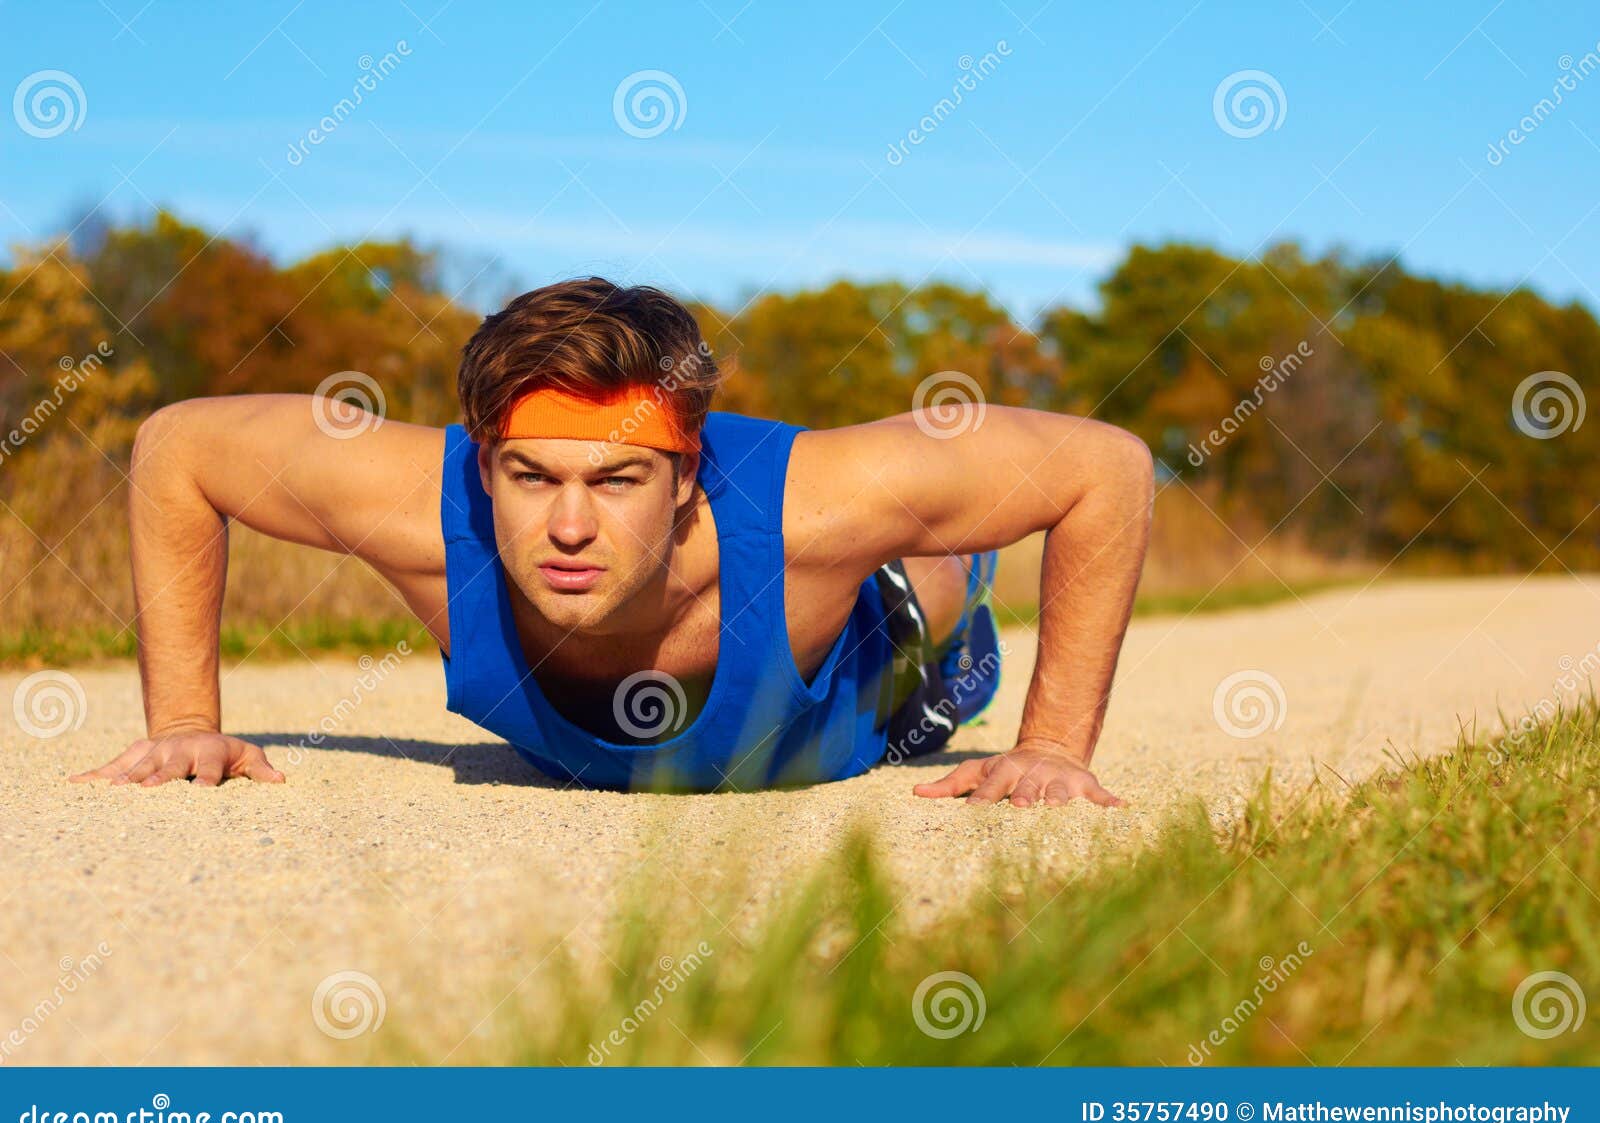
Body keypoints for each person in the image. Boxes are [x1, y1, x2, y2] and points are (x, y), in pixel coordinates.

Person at [71, 277, 1153, 806]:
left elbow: (1102, 465)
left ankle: (946, 564)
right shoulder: (425, 509)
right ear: (483, 459)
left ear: (686, 476)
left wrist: (1052, 743)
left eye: (619, 478)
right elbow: (178, 446)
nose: (570, 524)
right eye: (530, 475)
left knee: (918, 558)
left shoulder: (805, 504)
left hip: (880, 671)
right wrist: (183, 723)